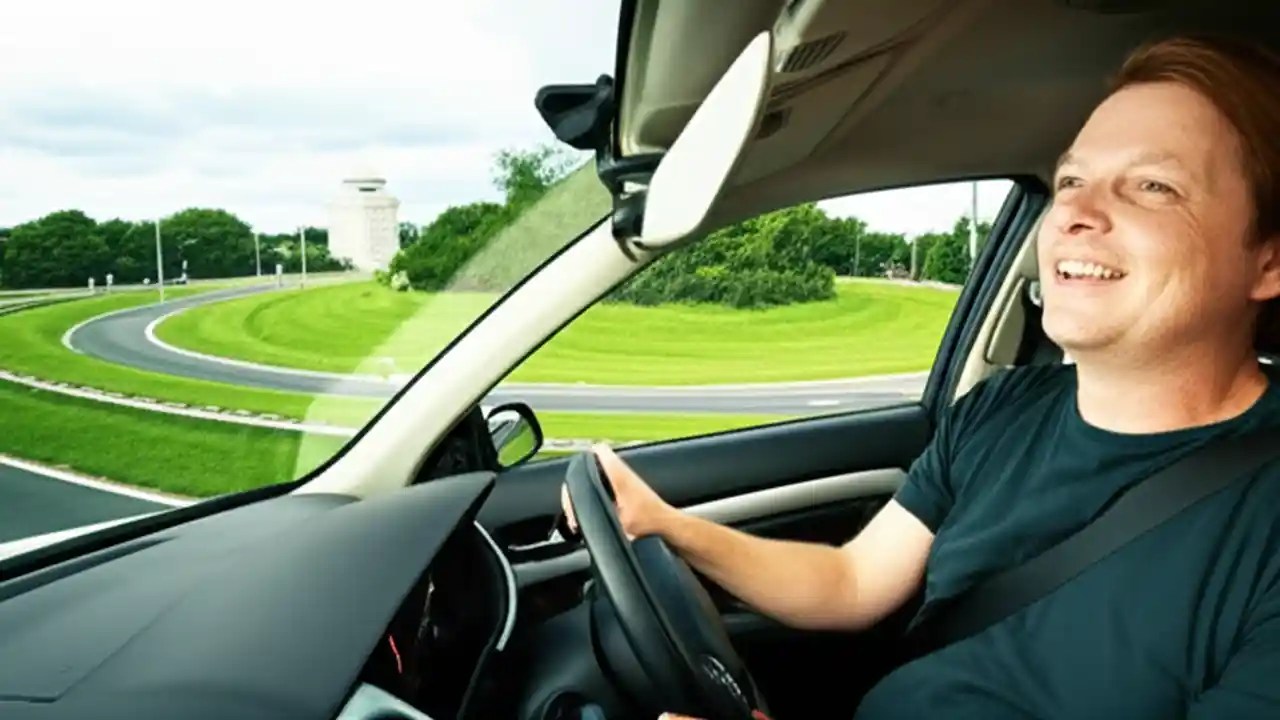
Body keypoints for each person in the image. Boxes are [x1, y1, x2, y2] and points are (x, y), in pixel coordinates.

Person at [563, 33, 1280, 718]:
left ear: (1269, 261)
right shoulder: (1000, 409)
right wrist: (667, 526)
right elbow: (851, 581)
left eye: (1154, 186)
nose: (1076, 214)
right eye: (1070, 180)